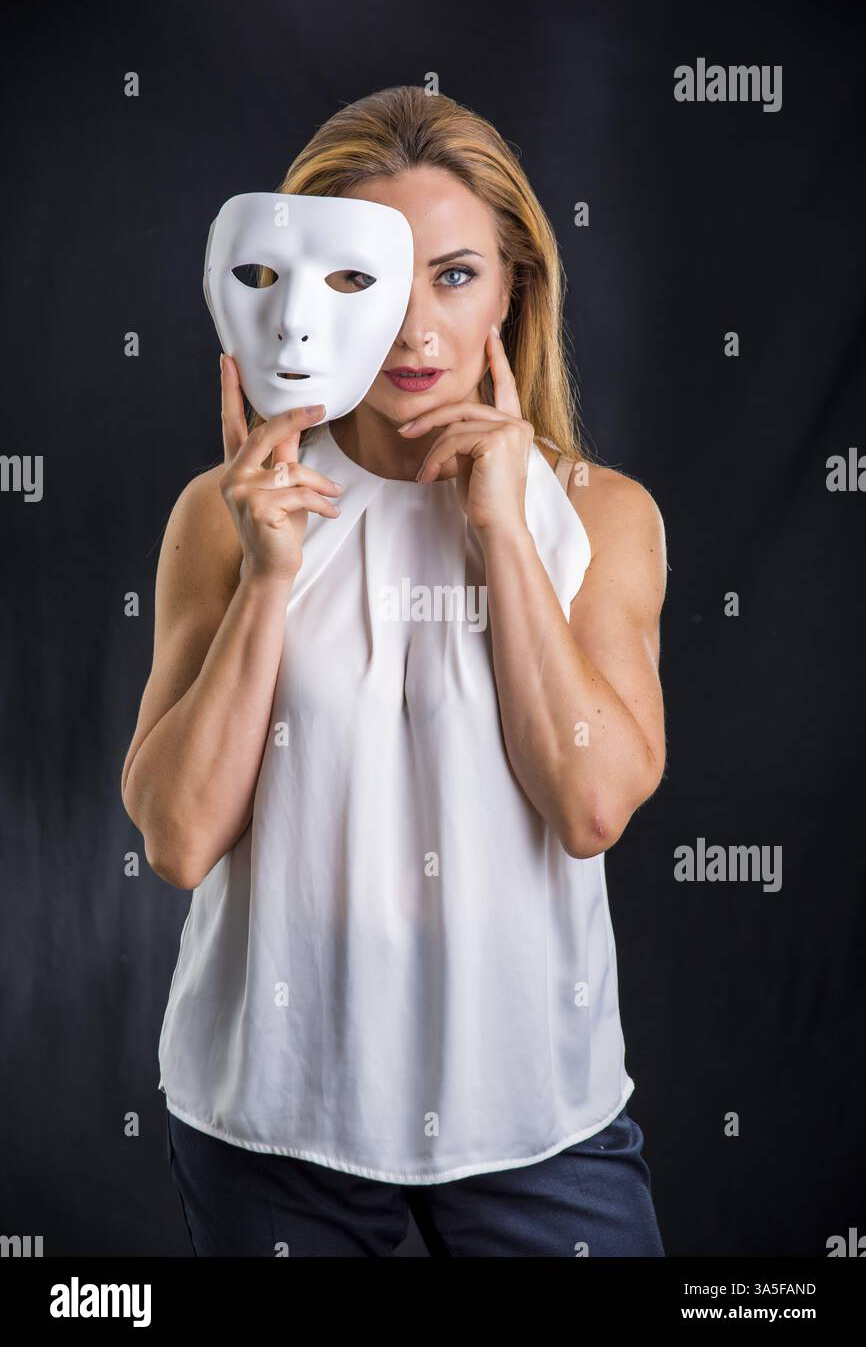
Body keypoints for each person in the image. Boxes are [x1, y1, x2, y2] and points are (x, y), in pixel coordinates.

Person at [121, 85, 668, 1257]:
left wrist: (504, 537)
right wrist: (271, 576)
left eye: (456, 275)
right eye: (377, 277)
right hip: (274, 1125)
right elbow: (175, 839)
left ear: (511, 290)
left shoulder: (597, 515)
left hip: (536, 1120)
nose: (418, 330)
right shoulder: (221, 520)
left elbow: (590, 804)